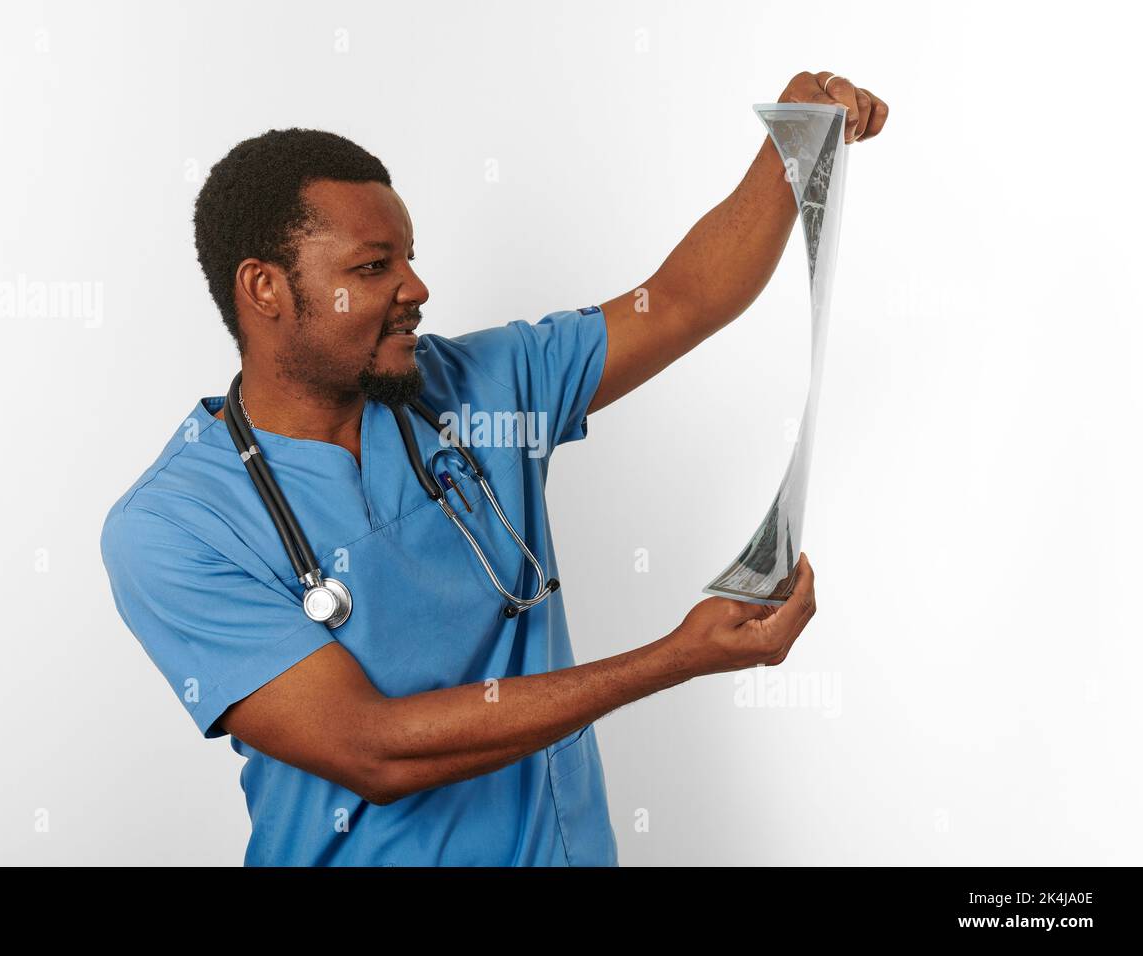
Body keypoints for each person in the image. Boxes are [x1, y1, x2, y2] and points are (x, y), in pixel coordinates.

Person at [100, 71, 887, 866]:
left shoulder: (483, 388)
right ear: (264, 289)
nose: (417, 288)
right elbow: (374, 751)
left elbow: (682, 299)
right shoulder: (174, 526)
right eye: (374, 268)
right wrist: (675, 658)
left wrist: (791, 143)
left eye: (410, 258)